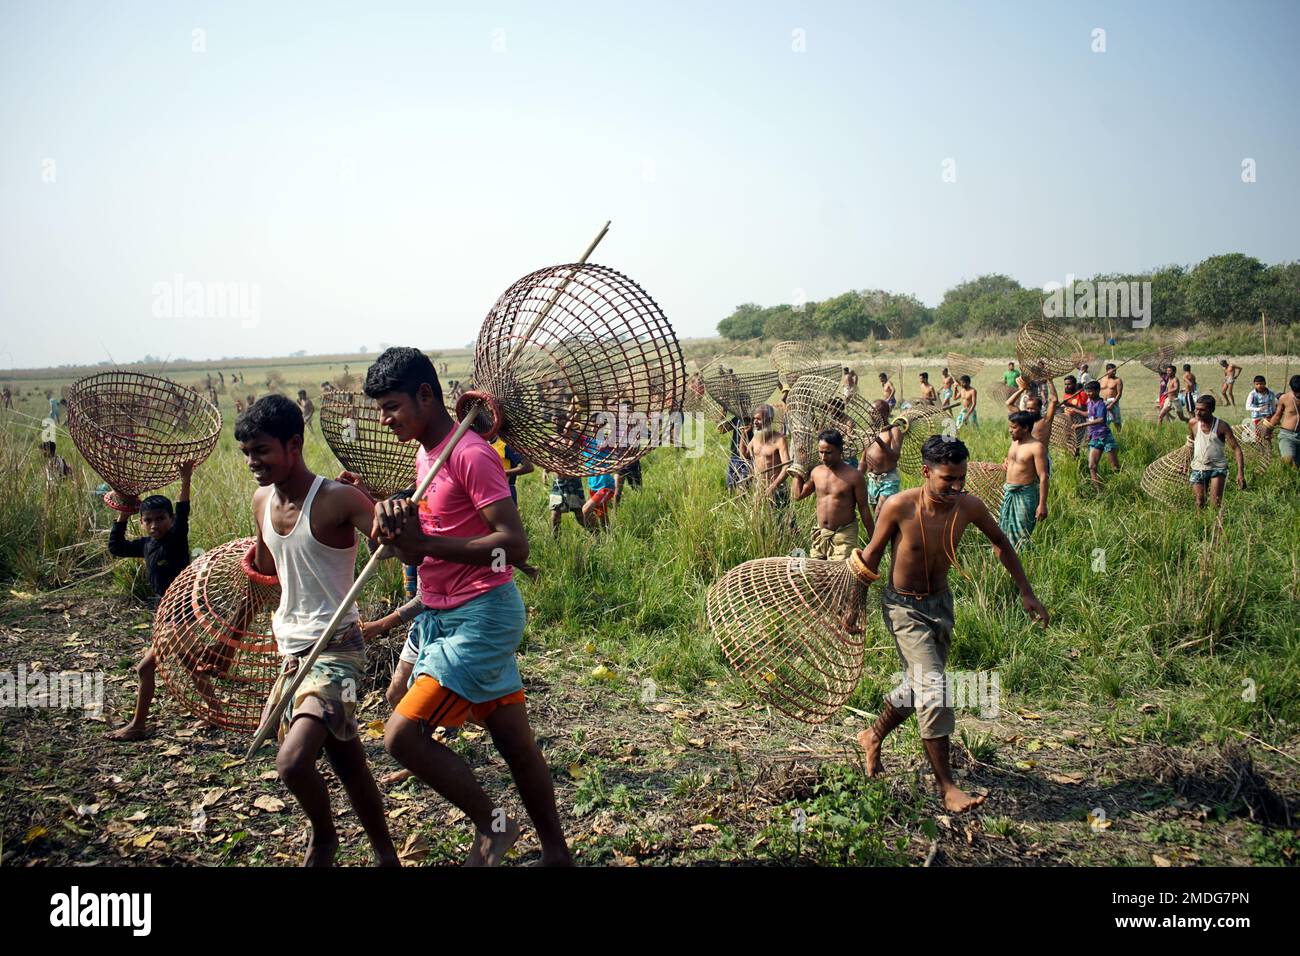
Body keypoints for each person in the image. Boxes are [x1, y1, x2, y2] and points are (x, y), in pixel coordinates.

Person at [364, 347, 571, 866]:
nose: (386, 420)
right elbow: (438, 528)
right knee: (516, 748)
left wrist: (425, 547)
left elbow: (512, 545)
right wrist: (394, 524)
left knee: (402, 739)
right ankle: (557, 855)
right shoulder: (426, 455)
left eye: (392, 407)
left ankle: (492, 826)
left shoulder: (471, 454)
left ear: (426, 395)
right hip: (440, 614)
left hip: (480, 616)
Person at [239, 395, 399, 867]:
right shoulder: (261, 501)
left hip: (339, 649)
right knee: (349, 764)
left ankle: (324, 838)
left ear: (294, 443)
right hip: (293, 651)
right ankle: (387, 855)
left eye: (262, 451)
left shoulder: (338, 499)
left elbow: (399, 547)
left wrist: (390, 514)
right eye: (247, 453)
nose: (253, 463)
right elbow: (269, 569)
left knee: (291, 762)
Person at [855, 435, 1048, 812]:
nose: (956, 487)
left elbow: (1001, 542)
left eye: (961, 479)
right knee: (934, 686)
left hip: (940, 605)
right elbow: (872, 556)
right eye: (947, 479)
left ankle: (873, 734)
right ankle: (947, 787)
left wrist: (1027, 591)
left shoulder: (968, 507)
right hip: (902, 607)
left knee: (920, 684)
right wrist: (854, 606)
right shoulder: (898, 506)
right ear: (926, 472)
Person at [104, 462, 195, 742]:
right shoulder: (147, 545)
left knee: (144, 668)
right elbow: (116, 547)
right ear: (142, 522)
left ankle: (138, 725)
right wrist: (124, 513)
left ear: (169, 519)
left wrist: (185, 479)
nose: (155, 525)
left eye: (160, 519)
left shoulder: (176, 540)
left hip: (180, 614)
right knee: (190, 664)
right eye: (149, 520)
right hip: (166, 613)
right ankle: (216, 711)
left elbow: (183, 512)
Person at [791, 430, 872, 561]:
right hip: (820, 534)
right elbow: (797, 495)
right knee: (818, 575)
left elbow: (864, 509)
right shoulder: (816, 472)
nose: (823, 457)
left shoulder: (854, 476)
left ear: (840, 451)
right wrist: (797, 470)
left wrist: (873, 541)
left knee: (839, 576)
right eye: (821, 452)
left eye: (828, 453)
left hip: (844, 536)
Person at [1185, 395, 1246, 509]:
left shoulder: (1222, 426)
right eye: (1196, 409)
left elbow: (1236, 449)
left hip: (1217, 468)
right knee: (1199, 502)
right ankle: (1200, 525)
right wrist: (1185, 462)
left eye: (1202, 410)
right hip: (1198, 467)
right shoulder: (1193, 423)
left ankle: (1216, 524)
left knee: (1215, 504)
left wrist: (1240, 473)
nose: (1198, 412)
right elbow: (1190, 443)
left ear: (1211, 410)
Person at [1001, 410, 1049, 549]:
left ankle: (1023, 563)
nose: (1010, 430)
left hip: (1025, 494)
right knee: (1004, 530)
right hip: (1009, 492)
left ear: (1026, 428)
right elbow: (1012, 461)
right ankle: (1006, 560)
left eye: (1014, 427)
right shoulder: (1014, 442)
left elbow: (1043, 477)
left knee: (1022, 534)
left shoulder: (1036, 447)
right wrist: (1005, 463)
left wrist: (1042, 504)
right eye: (1010, 427)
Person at [740, 404, 791, 509]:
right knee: (760, 521)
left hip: (778, 489)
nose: (755, 422)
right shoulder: (756, 438)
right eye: (754, 419)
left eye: (758, 419)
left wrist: (773, 486)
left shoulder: (780, 439)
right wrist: (743, 434)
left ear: (769, 420)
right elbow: (745, 455)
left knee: (784, 521)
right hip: (760, 488)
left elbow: (787, 466)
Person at [858, 400, 903, 519]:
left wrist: (878, 440)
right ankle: (887, 536)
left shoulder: (894, 431)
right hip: (872, 480)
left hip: (888, 480)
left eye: (875, 413)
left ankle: (877, 537)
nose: (872, 416)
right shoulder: (870, 432)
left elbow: (895, 456)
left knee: (880, 513)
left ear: (886, 413)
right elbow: (863, 460)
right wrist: (857, 477)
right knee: (877, 515)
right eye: (871, 413)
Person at [1073, 381, 1119, 490]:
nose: (1088, 393)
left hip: (1105, 437)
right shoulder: (1090, 402)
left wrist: (1082, 425)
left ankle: (1120, 485)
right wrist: (1075, 410)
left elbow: (1100, 419)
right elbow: (1089, 415)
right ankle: (1098, 491)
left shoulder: (1101, 404)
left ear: (1098, 391)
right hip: (1095, 437)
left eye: (1091, 391)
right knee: (1092, 466)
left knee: (1115, 468)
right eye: (1087, 391)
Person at [1259, 374, 1300, 466]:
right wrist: (1268, 429)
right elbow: (1277, 416)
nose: (1298, 394)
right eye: (1296, 392)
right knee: (1288, 461)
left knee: (1297, 466)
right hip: (1287, 435)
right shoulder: (1285, 398)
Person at [1098, 362, 1124, 431]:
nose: (1114, 373)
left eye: (1115, 371)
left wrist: (1112, 404)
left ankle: (1120, 434)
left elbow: (1119, 394)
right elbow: (1097, 391)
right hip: (1103, 402)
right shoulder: (1102, 379)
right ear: (1107, 370)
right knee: (1104, 421)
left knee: (1117, 421)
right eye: (1112, 371)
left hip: (1113, 402)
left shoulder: (1118, 380)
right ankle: (1105, 435)